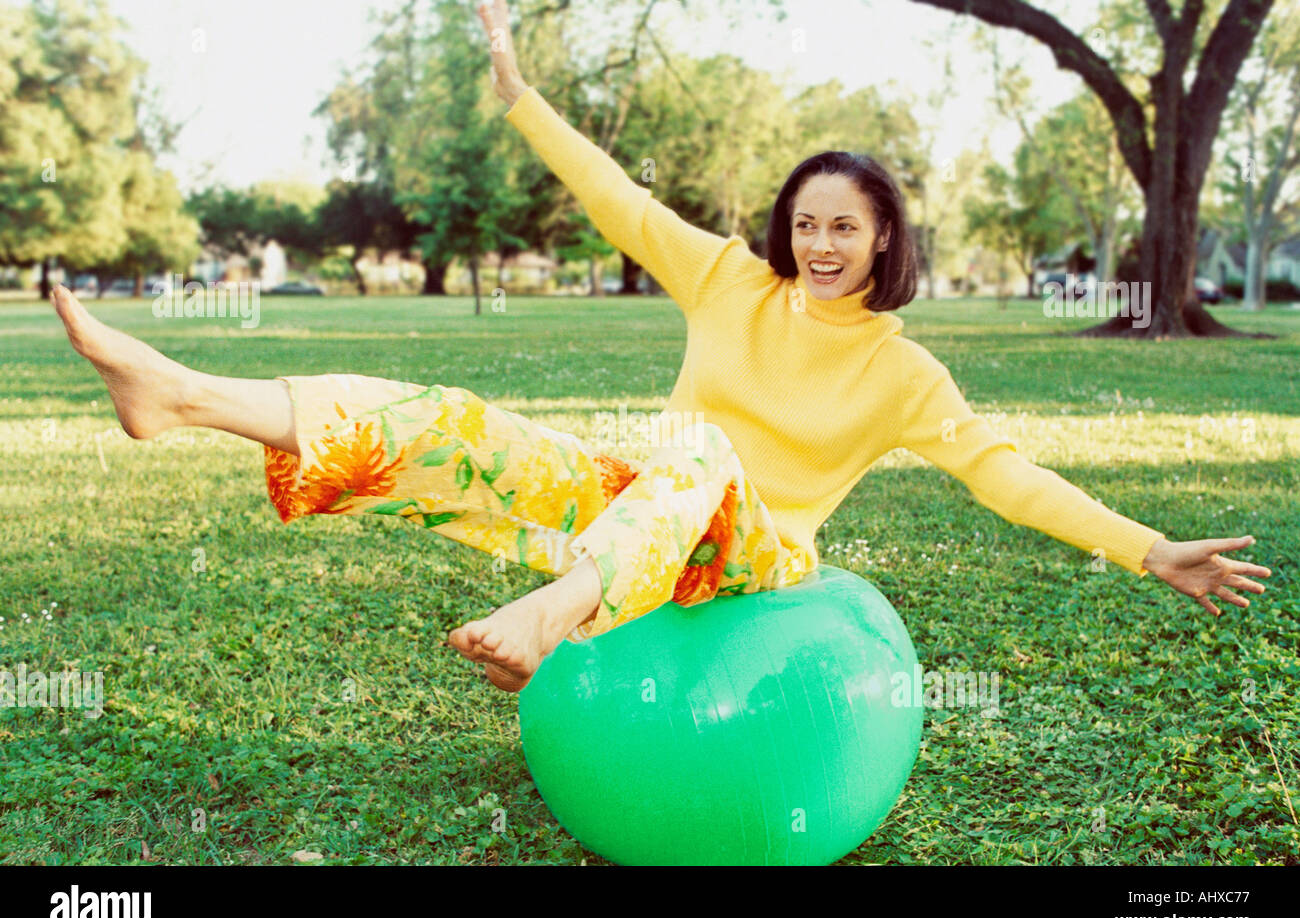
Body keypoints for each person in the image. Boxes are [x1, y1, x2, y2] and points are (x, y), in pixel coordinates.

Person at [48, 0, 1270, 693]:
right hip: (650, 519)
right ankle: (184, 393)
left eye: (844, 226)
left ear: (886, 233)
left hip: (758, 553)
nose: (820, 242)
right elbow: (620, 203)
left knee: (703, 458)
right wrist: (520, 93)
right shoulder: (732, 280)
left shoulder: (904, 371)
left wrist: (1148, 544)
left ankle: (556, 617)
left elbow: (1009, 479)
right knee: (464, 424)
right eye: (806, 223)